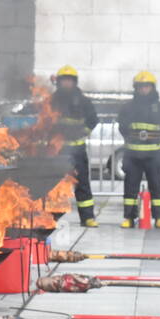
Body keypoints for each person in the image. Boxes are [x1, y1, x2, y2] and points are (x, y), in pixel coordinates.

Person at [117, 70, 160, 229]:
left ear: (152, 88)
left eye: (147, 87)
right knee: (130, 187)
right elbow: (123, 127)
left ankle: (159, 218)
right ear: (136, 88)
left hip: (154, 154)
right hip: (133, 155)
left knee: (157, 187)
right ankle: (128, 217)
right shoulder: (128, 108)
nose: (144, 90)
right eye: (141, 87)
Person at [49, 64, 98, 227]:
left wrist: (83, 131)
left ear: (74, 82)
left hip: (77, 150)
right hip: (57, 151)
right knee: (55, 184)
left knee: (82, 183)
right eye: (64, 80)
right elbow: (45, 122)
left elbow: (93, 119)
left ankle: (87, 217)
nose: (67, 84)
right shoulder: (52, 101)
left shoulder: (83, 101)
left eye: (70, 81)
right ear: (59, 82)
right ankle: (51, 218)